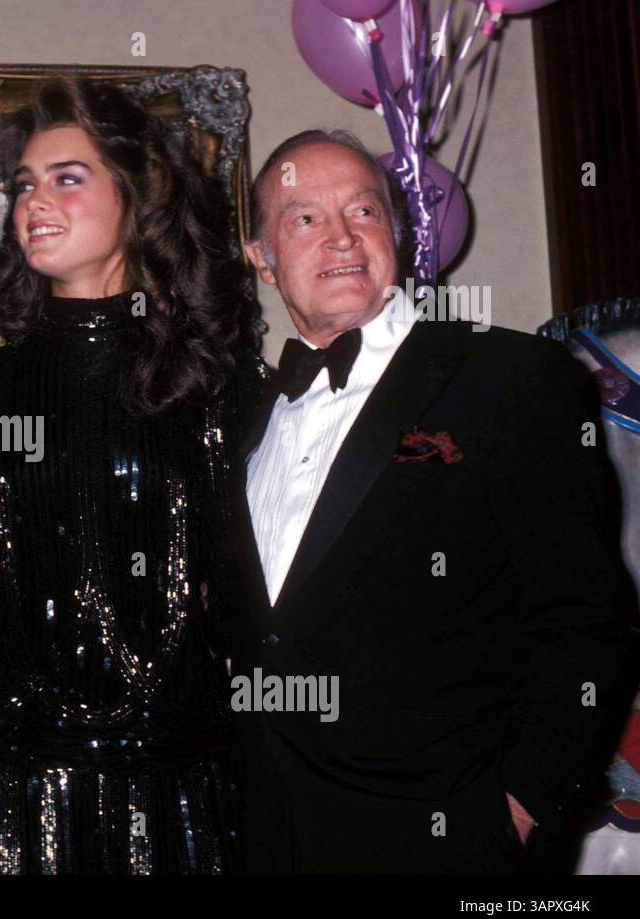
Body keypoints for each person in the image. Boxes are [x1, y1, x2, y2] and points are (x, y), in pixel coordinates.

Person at [237, 128, 635, 873]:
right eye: (304, 219)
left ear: (397, 232)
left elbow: (584, 620)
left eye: (363, 211)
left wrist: (519, 806)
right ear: (261, 256)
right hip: (275, 833)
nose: (342, 238)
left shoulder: (509, 375)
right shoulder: (247, 415)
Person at [0, 77, 264, 874]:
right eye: (24, 185)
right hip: (12, 789)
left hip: (176, 787)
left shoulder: (217, 387)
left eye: (67, 177)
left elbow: (251, 607)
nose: (34, 202)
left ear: (137, 195)